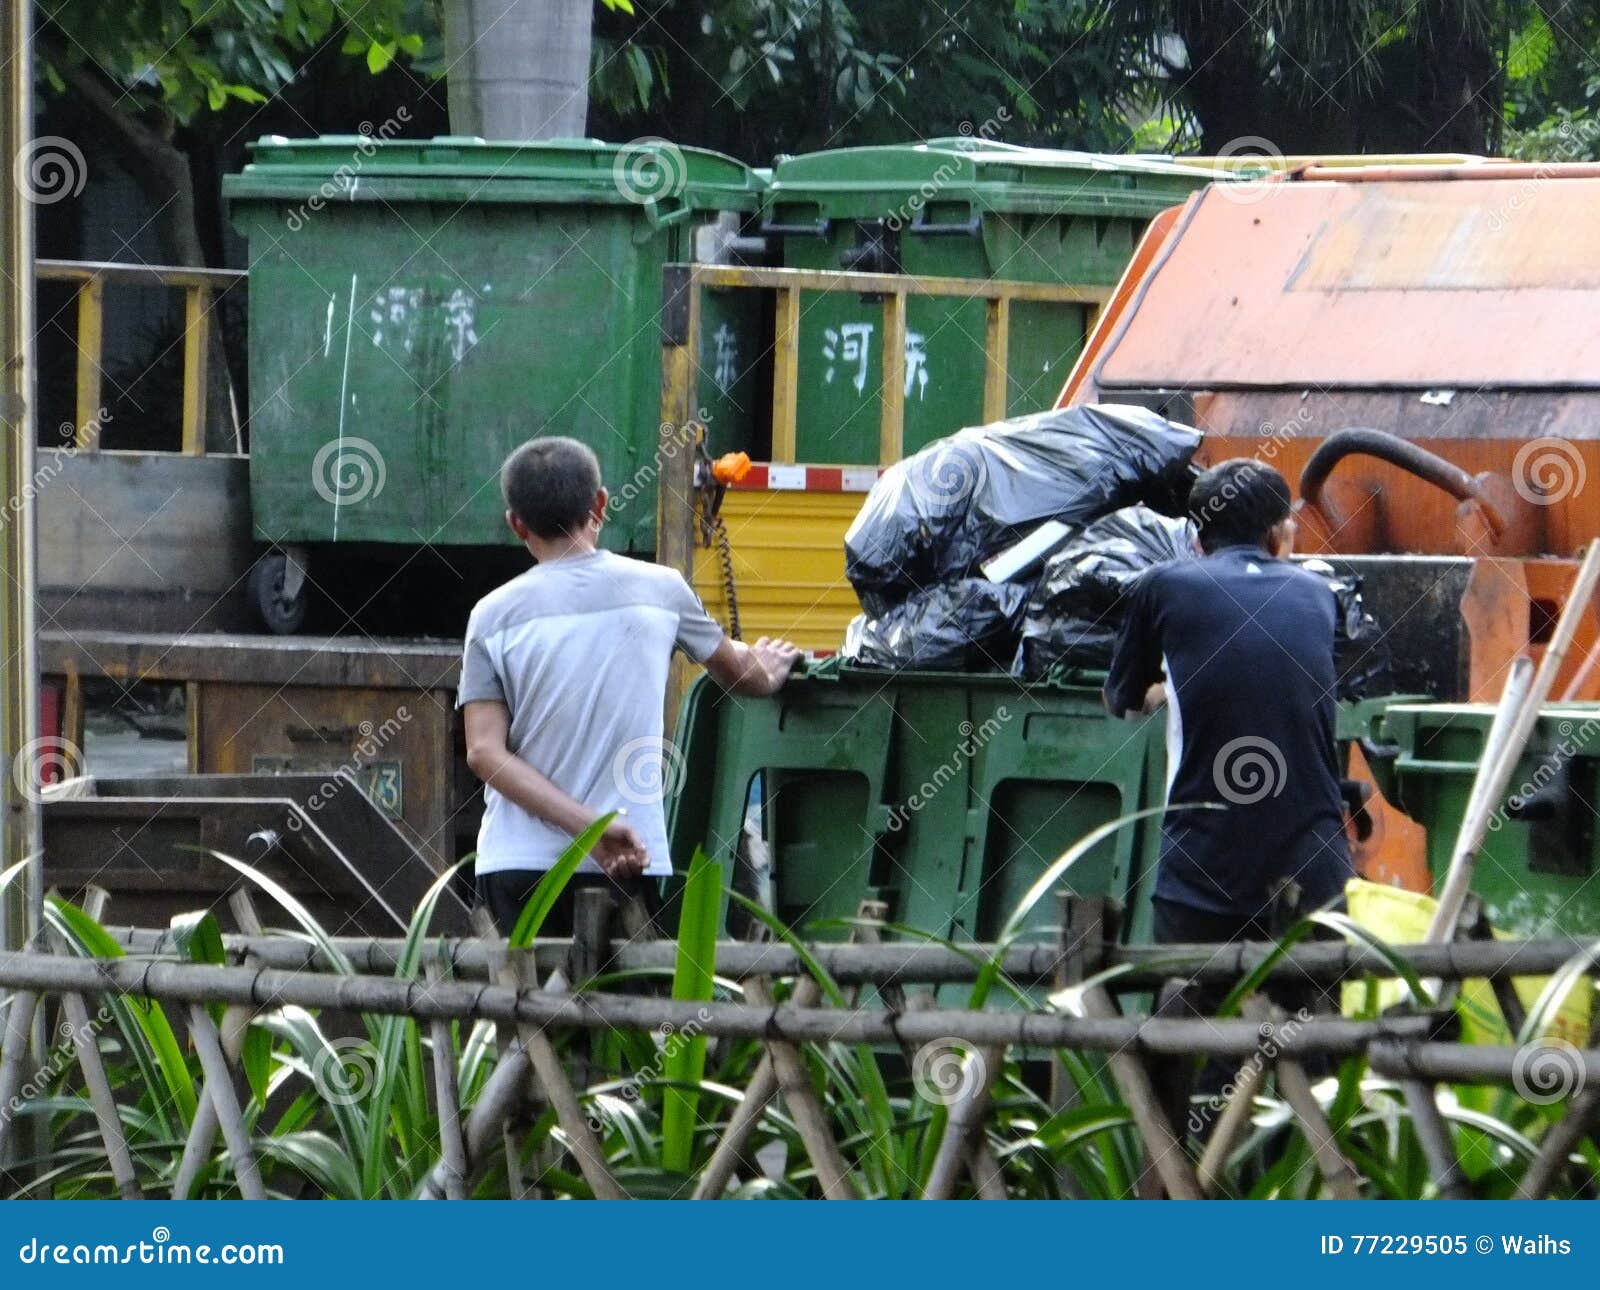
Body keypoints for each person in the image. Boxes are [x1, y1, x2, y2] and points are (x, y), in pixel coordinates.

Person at [460, 436, 803, 935]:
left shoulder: (490, 616)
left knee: (529, 1009)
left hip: (517, 868)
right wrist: (770, 666)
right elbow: (744, 676)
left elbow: (484, 753)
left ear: (516, 524)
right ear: (600, 504)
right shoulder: (661, 589)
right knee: (631, 1011)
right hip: (628, 859)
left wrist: (589, 832)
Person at [1104, 458, 1352, 949]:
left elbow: (1122, 703)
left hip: (1203, 877)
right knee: (1311, 1021)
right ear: (1281, 533)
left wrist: (1162, 692)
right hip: (1315, 875)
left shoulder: (1164, 585)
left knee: (1189, 1018)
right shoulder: (1320, 594)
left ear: (1197, 538)